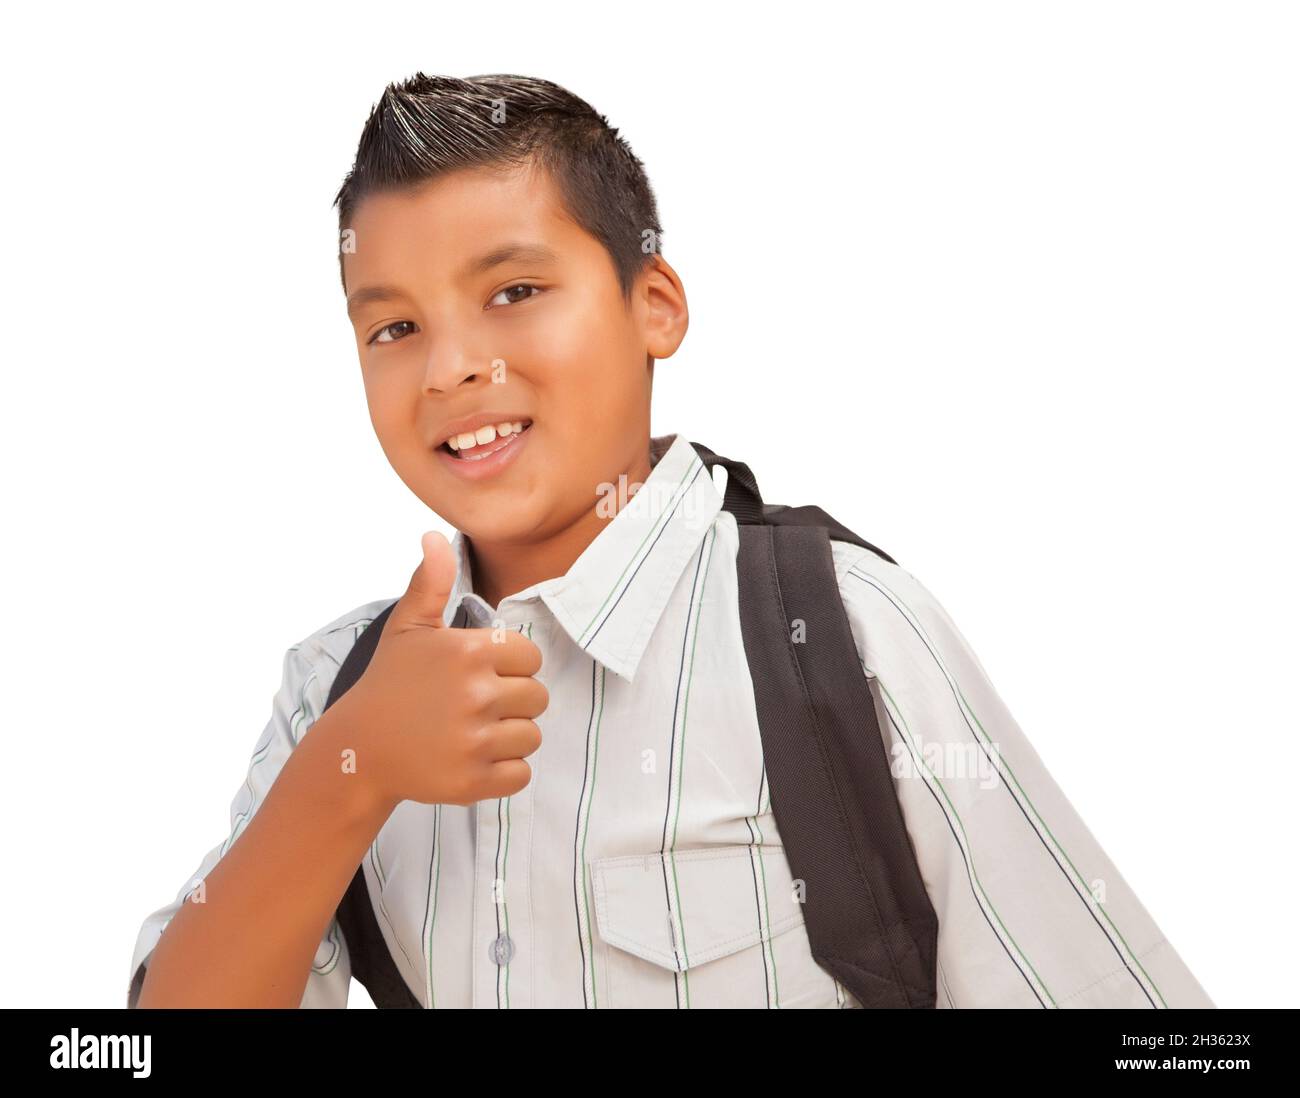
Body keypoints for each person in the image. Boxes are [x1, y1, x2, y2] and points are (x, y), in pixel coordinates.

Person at [128, 73, 1213, 1009]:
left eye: (514, 291)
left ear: (656, 304)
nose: (451, 366)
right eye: (393, 327)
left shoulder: (835, 635)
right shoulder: (337, 689)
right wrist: (346, 775)